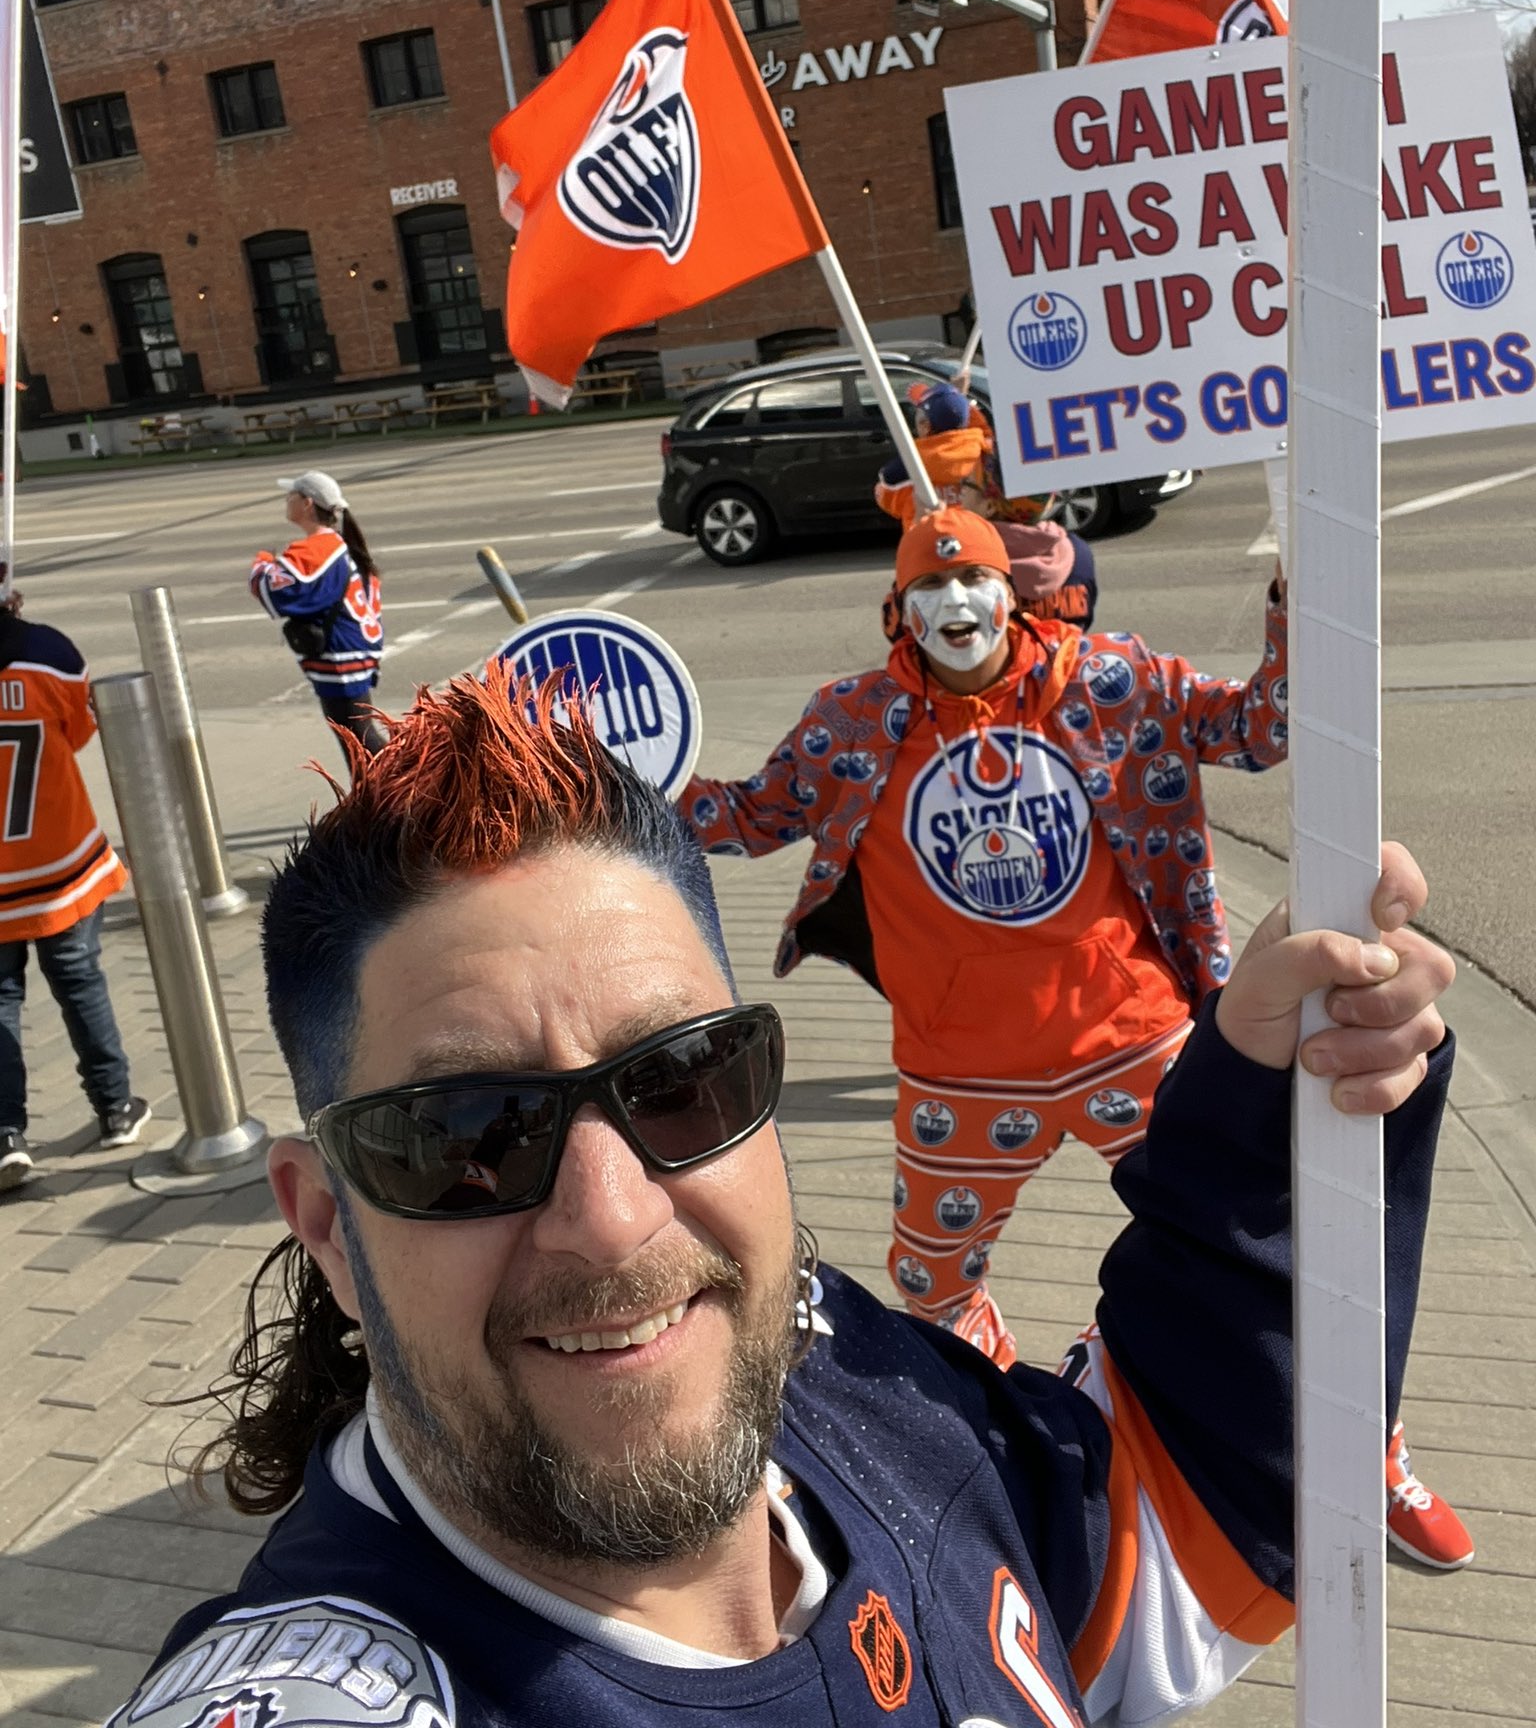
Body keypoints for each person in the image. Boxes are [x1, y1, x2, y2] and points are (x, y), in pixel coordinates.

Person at [114, 670, 1455, 1727]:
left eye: (682, 1080)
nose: (615, 1217)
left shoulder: (835, 1369)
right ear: (325, 1225)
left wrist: (1276, 1115)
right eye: (468, 1133)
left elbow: (1158, 1528)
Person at [682, 505, 1471, 1567]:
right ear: (898, 611)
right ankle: (1000, 1426)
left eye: (975, 583)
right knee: (930, 1284)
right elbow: (752, 814)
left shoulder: (1108, 678)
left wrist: (1300, 601)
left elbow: (1260, 727)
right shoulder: (854, 718)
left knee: (1291, 1235)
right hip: (961, 1068)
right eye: (932, 588)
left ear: (1013, 592)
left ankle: (1360, 1446)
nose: (956, 605)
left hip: (1135, 1039)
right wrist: (638, 772)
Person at [0, 592, 149, 1190]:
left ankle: (6, 1133)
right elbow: (81, 731)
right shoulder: (47, 651)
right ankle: (114, 1106)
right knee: (80, 981)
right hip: (58, 858)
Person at [875, 380, 1097, 626]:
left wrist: (922, 542)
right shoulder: (1077, 555)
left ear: (990, 506)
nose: (960, 492)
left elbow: (899, 626)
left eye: (968, 483)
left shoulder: (960, 565)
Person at [250, 471, 386, 758]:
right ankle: (383, 796)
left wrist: (262, 562)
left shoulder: (317, 548)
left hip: (340, 657)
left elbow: (276, 589)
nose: (286, 501)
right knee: (359, 738)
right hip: (354, 651)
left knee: (359, 742)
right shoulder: (339, 544)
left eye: (291, 496)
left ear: (307, 503)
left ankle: (405, 796)